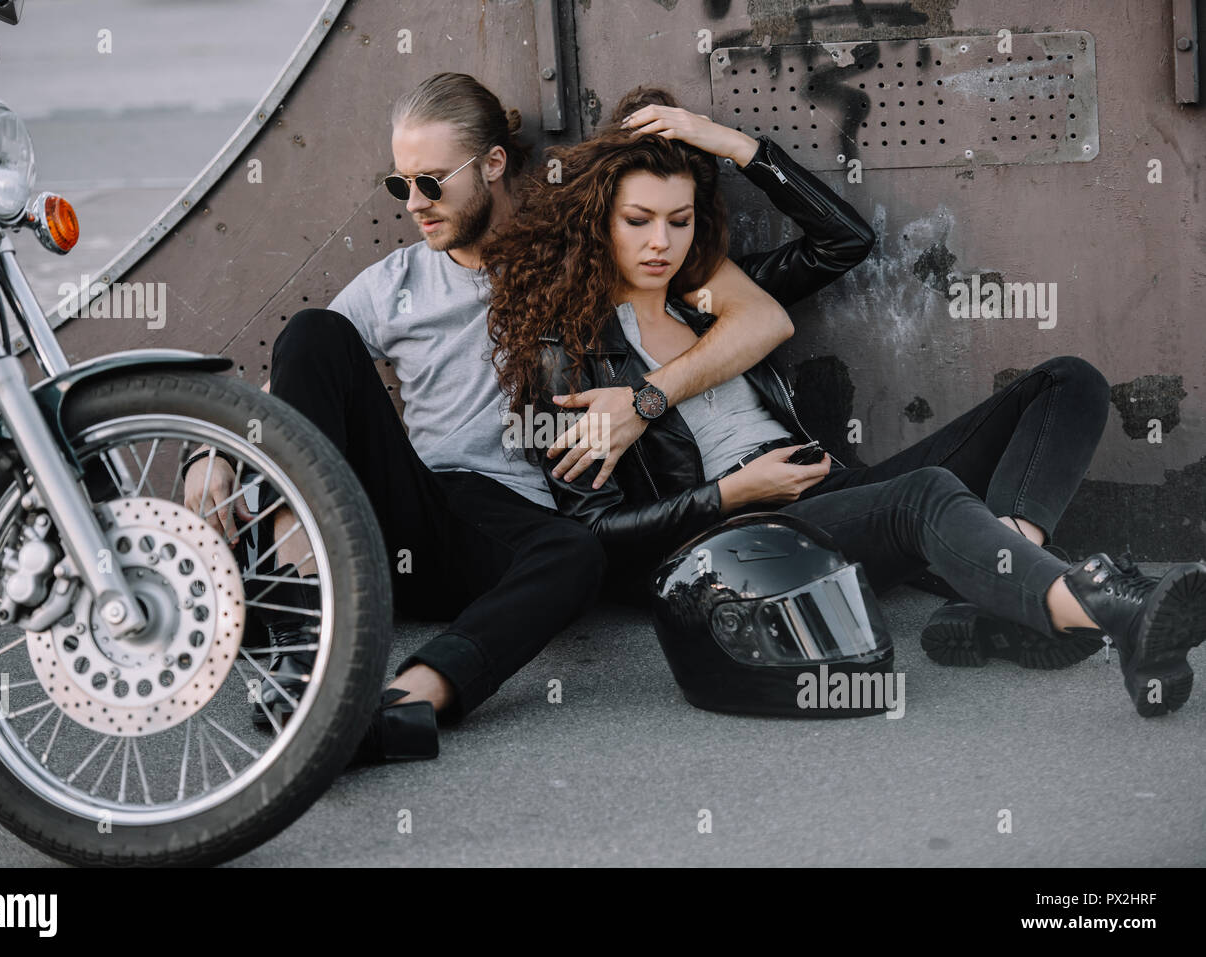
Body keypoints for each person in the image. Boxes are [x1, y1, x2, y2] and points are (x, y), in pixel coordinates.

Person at [484, 88, 1206, 718]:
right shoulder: (567, 350)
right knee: (926, 494)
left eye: (679, 220)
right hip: (752, 532)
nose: (661, 242)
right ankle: (1113, 614)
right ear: (597, 221)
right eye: (638, 220)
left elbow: (845, 241)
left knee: (1066, 381)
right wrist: (728, 492)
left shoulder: (713, 301)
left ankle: (1003, 584)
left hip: (832, 489)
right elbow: (596, 537)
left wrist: (733, 145)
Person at [184, 73, 809, 760]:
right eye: (401, 186)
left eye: (431, 182)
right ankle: (307, 634)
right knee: (312, 331)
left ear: (492, 163)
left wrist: (645, 396)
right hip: (405, 508)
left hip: (505, 527)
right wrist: (215, 450)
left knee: (578, 554)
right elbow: (302, 373)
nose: (415, 205)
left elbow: (759, 319)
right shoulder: (397, 282)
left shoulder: (585, 249)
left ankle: (403, 702)